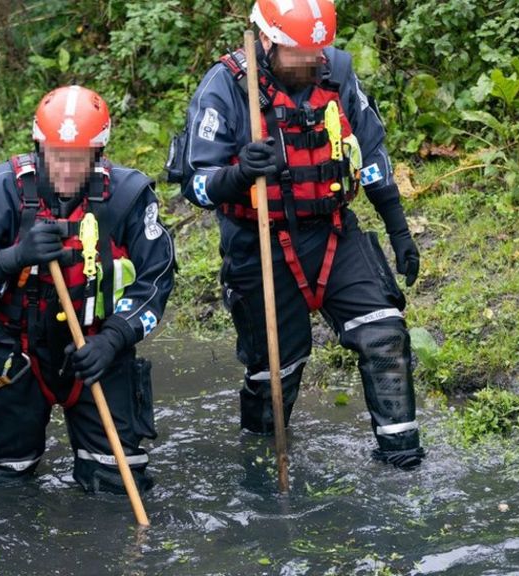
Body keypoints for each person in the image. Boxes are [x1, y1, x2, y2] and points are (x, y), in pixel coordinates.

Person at [169, 0, 424, 468]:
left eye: (315, 52)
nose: (309, 63)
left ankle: (403, 463)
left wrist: (398, 230)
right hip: (259, 240)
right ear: (266, 41)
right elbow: (197, 185)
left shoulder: (337, 74)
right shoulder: (224, 86)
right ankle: (262, 462)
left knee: (385, 335)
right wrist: (240, 173)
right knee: (277, 372)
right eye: (296, 54)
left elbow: (371, 156)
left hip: (333, 232)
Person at [0, 85, 175, 492]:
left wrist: (114, 339)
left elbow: (157, 276)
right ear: (39, 147)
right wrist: (11, 258)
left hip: (97, 348)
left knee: (117, 483)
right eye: (56, 157)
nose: (65, 170)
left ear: (98, 154)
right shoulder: (1, 189)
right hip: (16, 350)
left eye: (78, 160)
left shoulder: (129, 197)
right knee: (1, 485)